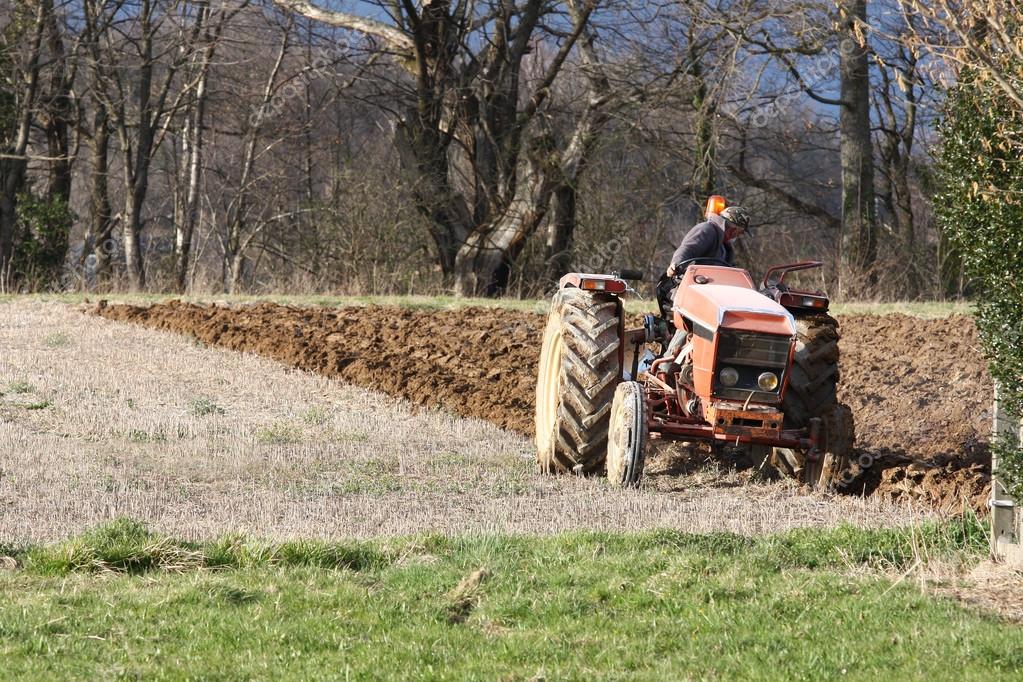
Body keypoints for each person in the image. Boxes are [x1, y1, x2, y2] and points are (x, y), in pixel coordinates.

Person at [657, 205, 752, 319]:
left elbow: (729, 269)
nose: (737, 236)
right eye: (739, 232)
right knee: (696, 318)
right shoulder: (707, 230)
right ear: (733, 229)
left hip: (713, 293)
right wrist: (676, 264)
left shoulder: (725, 247)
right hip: (692, 289)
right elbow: (687, 249)